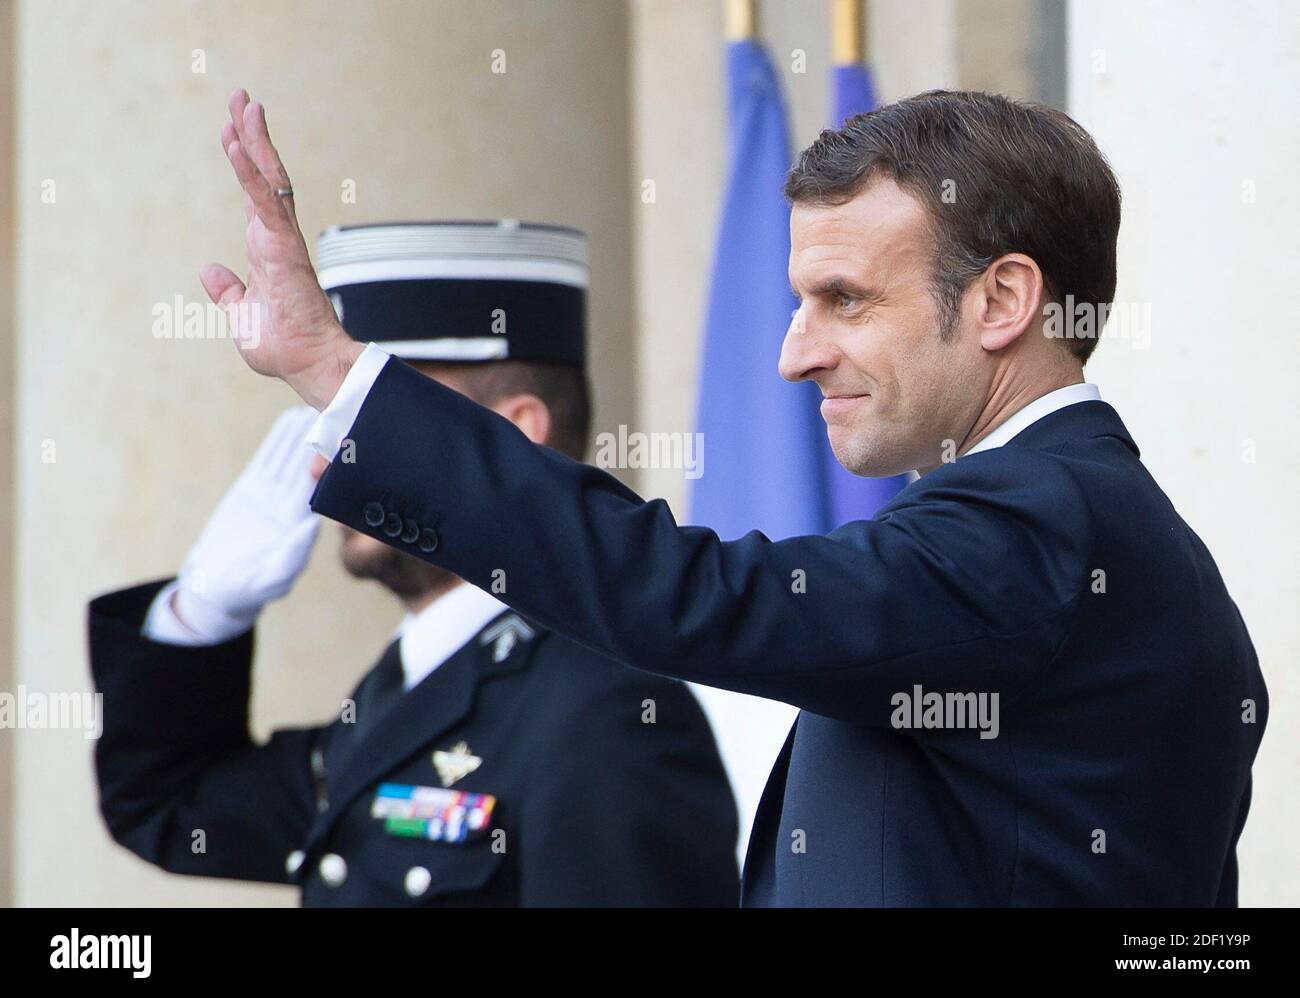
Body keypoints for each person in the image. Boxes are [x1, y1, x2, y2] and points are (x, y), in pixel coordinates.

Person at [201, 88, 1268, 906]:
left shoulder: (1038, 526)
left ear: (1002, 300)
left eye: (843, 299)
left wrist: (343, 378)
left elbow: (687, 592)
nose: (793, 356)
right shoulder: (1071, 519)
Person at [89, 219, 741, 907]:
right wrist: (198, 616)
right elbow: (168, 806)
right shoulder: (406, 687)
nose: (327, 455)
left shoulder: (605, 718)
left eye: (375, 411)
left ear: (513, 433)